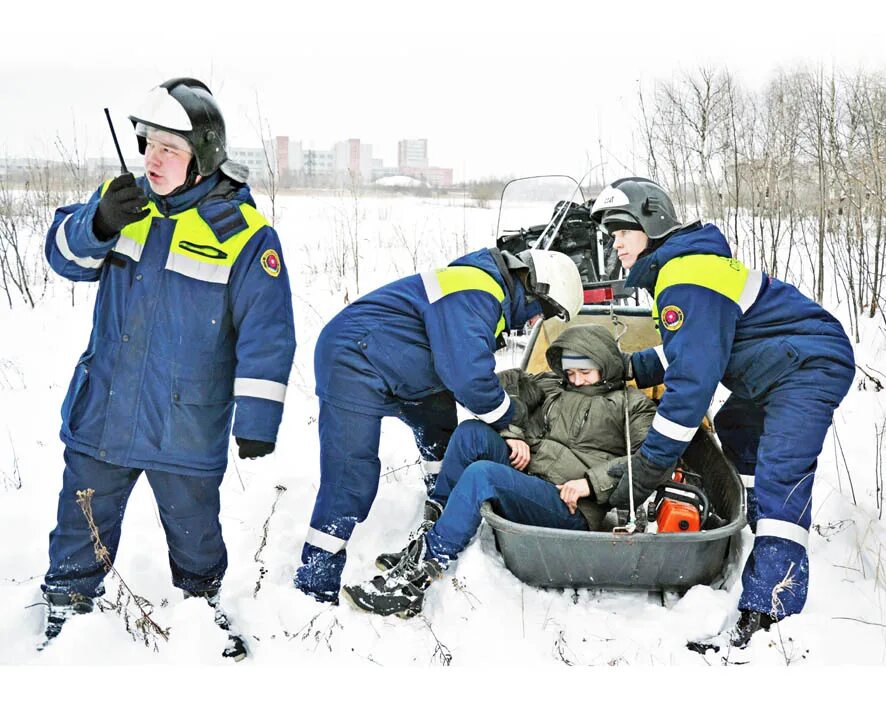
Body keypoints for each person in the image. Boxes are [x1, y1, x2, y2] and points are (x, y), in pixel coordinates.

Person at [41, 78, 296, 658]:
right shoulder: (122, 203)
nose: (153, 159)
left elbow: (268, 332)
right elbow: (62, 256)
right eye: (148, 144)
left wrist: (258, 418)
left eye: (170, 149)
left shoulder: (245, 236)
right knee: (82, 519)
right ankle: (66, 607)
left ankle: (200, 611)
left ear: (202, 158)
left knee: (195, 532)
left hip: (184, 424)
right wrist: (98, 222)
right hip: (103, 411)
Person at [589, 177, 855, 648]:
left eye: (622, 231)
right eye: (611, 235)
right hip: (779, 360)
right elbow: (694, 351)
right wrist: (629, 367)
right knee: (735, 428)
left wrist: (649, 467)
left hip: (809, 363)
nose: (616, 243)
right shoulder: (683, 270)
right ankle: (756, 526)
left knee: (780, 471)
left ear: (651, 224)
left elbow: (691, 387)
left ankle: (769, 614)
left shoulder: (684, 276)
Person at [294, 247, 584, 603]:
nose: (536, 321)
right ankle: (315, 582)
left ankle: (437, 514)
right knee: (351, 474)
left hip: (406, 366)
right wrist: (510, 422)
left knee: (441, 432)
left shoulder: (485, 292)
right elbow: (468, 378)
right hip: (354, 359)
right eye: (543, 311)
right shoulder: (477, 290)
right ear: (533, 286)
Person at [341, 324, 656, 618]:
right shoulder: (553, 385)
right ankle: (427, 535)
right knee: (470, 435)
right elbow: (507, 386)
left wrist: (591, 483)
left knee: (483, 474)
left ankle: (421, 574)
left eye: (585, 372)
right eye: (570, 372)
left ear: (606, 364)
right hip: (528, 477)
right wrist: (513, 432)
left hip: (568, 504)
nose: (576, 380)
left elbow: (652, 461)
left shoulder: (631, 406)